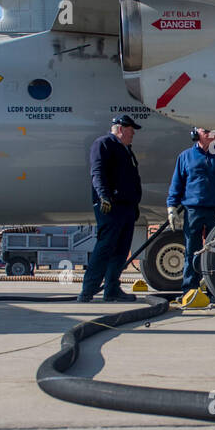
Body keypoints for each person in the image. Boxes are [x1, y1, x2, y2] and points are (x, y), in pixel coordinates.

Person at [166, 127, 215, 296]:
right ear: (195, 134)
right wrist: (172, 207)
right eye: (205, 131)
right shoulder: (185, 157)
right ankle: (190, 288)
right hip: (193, 210)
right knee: (192, 249)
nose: (209, 134)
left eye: (211, 131)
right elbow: (177, 183)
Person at [78, 115, 144, 302]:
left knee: (121, 250)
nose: (133, 134)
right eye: (131, 130)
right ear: (121, 128)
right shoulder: (104, 144)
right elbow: (97, 172)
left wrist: (134, 203)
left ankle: (112, 289)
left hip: (127, 207)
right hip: (111, 207)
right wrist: (103, 196)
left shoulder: (126, 150)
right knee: (105, 247)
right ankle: (88, 290)